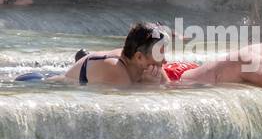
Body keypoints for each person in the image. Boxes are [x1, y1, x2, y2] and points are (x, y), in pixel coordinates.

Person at [31, 22, 170, 86]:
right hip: (37, 81)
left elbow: (170, 88)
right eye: (160, 55)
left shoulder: (152, 65)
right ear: (139, 57)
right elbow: (128, 101)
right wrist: (148, 86)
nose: (165, 61)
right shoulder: (114, 68)